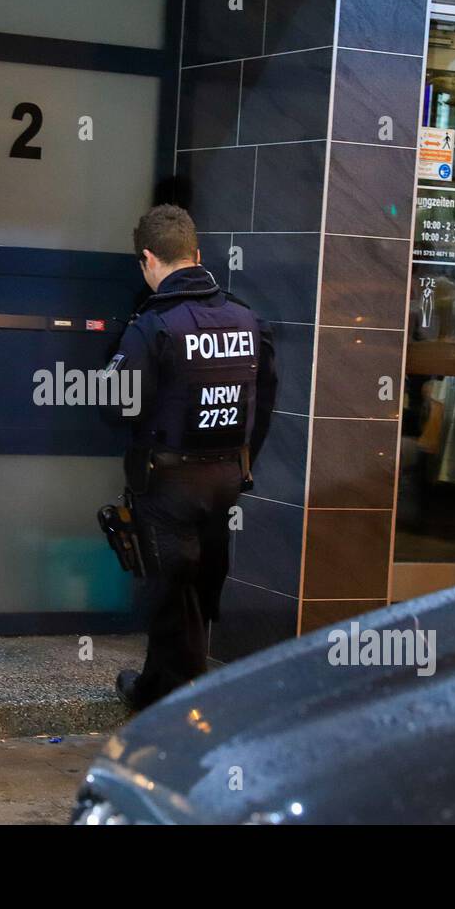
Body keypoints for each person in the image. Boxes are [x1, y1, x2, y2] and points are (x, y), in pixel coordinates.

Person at [103, 205, 277, 711]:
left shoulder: (152, 326)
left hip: (170, 481)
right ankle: (158, 689)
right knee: (196, 587)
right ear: (198, 256)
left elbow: (117, 404)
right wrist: (244, 463)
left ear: (147, 260)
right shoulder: (246, 318)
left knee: (171, 592)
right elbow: (264, 401)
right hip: (225, 476)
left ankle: (184, 704)